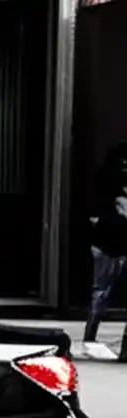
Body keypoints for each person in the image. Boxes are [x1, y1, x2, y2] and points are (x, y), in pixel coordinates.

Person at [84, 143, 127, 343]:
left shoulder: (106, 185)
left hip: (108, 244)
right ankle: (90, 336)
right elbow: (96, 218)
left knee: (100, 293)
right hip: (109, 245)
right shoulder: (106, 187)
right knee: (100, 293)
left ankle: (90, 336)